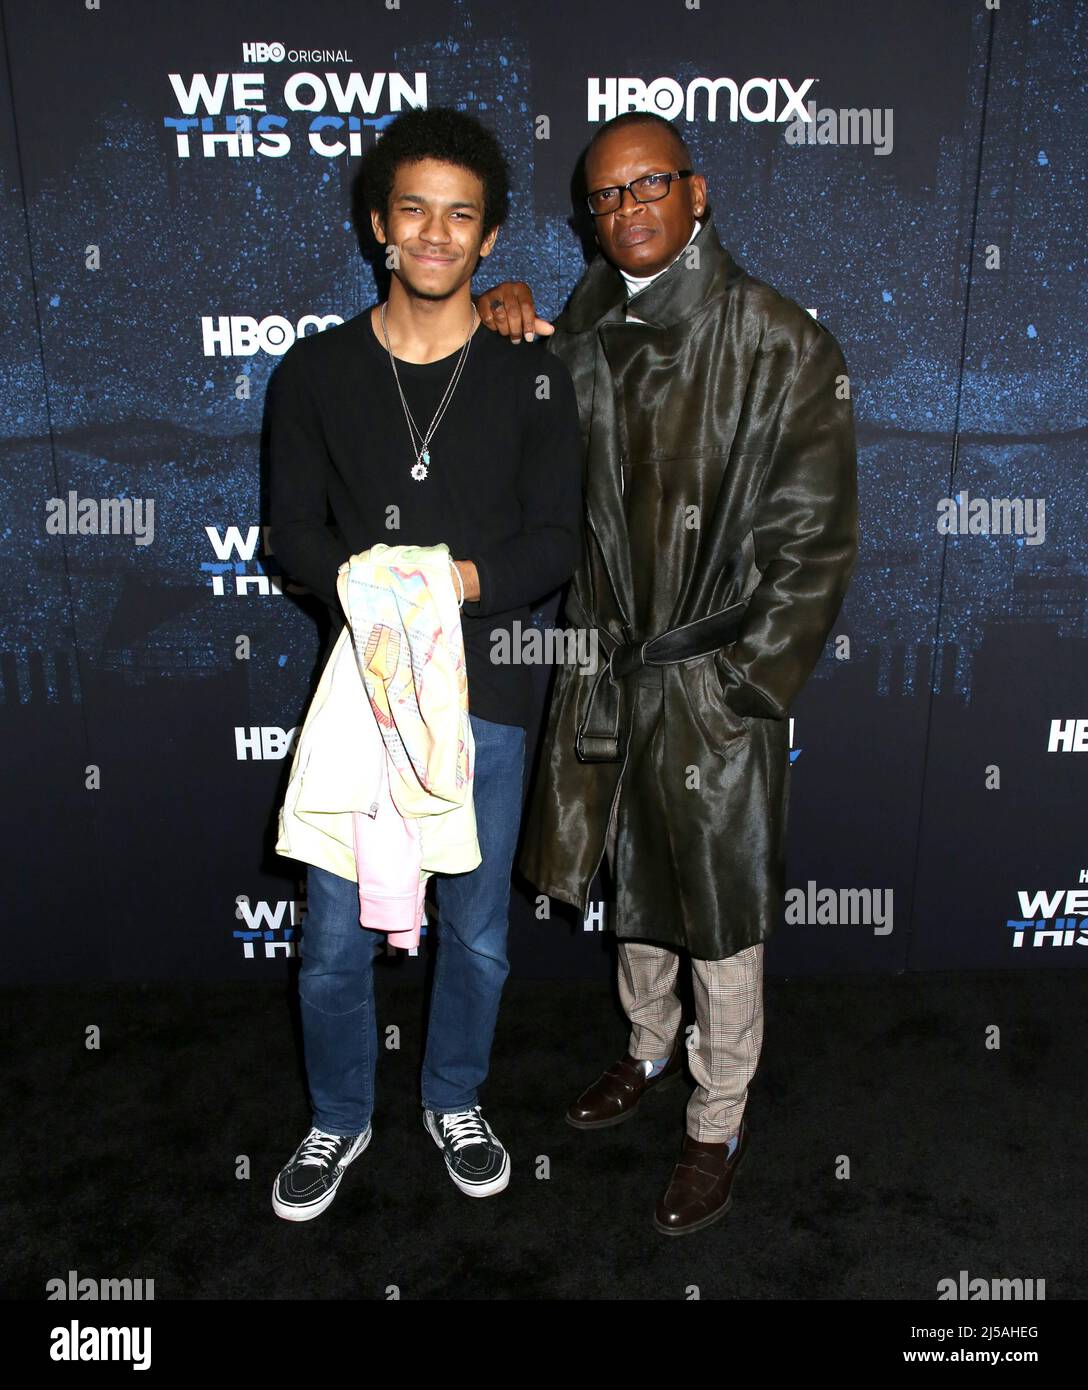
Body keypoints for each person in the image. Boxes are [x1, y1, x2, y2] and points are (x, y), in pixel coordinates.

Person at [477, 111, 858, 1235]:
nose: (628, 208)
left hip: (709, 678)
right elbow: (522, 440)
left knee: (717, 909)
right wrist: (498, 317)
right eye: (604, 196)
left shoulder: (779, 341)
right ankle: (644, 1049)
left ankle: (717, 1112)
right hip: (605, 659)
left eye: (650, 186)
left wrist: (741, 692)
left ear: (700, 194)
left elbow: (815, 543)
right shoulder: (582, 327)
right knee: (632, 876)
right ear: (586, 221)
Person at [266, 106, 582, 1221]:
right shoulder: (311, 372)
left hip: (488, 692)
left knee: (481, 937)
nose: (437, 234)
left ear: (489, 239)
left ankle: (454, 1097)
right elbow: (287, 532)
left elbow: (556, 537)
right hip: (361, 699)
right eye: (415, 210)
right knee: (328, 944)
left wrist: (449, 582)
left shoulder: (530, 371)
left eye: (461, 215)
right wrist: (378, 587)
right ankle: (338, 1117)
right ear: (377, 225)